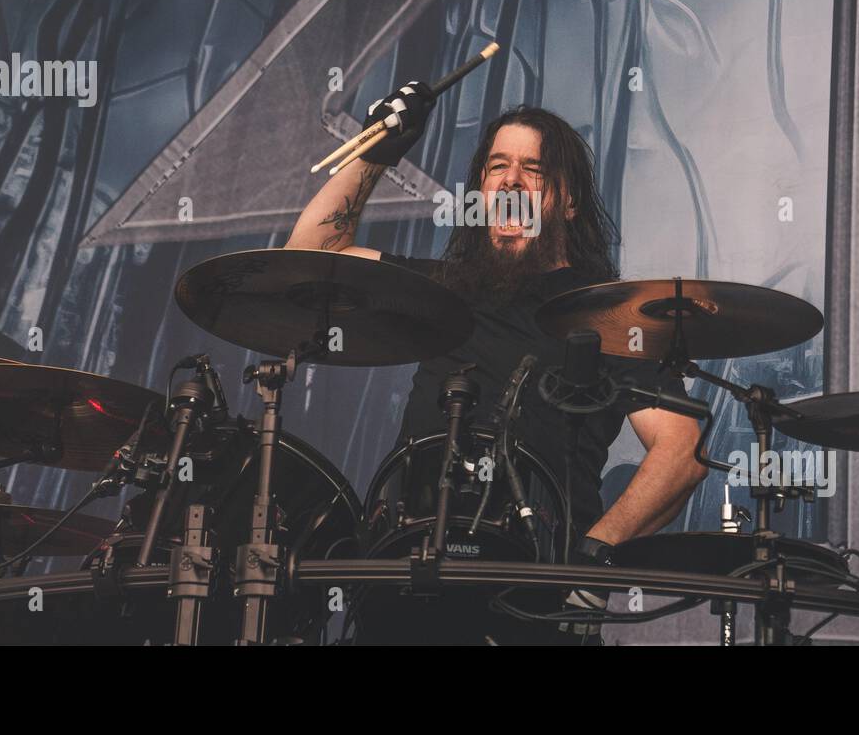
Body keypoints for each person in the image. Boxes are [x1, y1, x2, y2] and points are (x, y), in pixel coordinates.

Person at [286, 83, 708, 643]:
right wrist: (376, 152)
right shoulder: (440, 288)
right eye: (496, 167)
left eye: (533, 169)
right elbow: (310, 258)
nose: (510, 180)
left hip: (535, 584)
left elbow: (682, 453)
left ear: (569, 200)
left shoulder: (603, 313)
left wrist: (596, 556)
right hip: (410, 570)